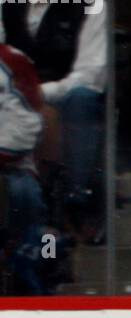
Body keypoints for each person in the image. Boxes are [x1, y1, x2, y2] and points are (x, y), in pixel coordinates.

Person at [0, 0, 107, 242]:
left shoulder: (95, 5)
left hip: (66, 95)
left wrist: (41, 93)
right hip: (16, 98)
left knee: (82, 99)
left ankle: (74, 203)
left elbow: (91, 76)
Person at [0, 42, 49, 295]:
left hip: (13, 172)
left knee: (20, 193)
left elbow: (29, 123)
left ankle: (27, 286)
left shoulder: (11, 60)